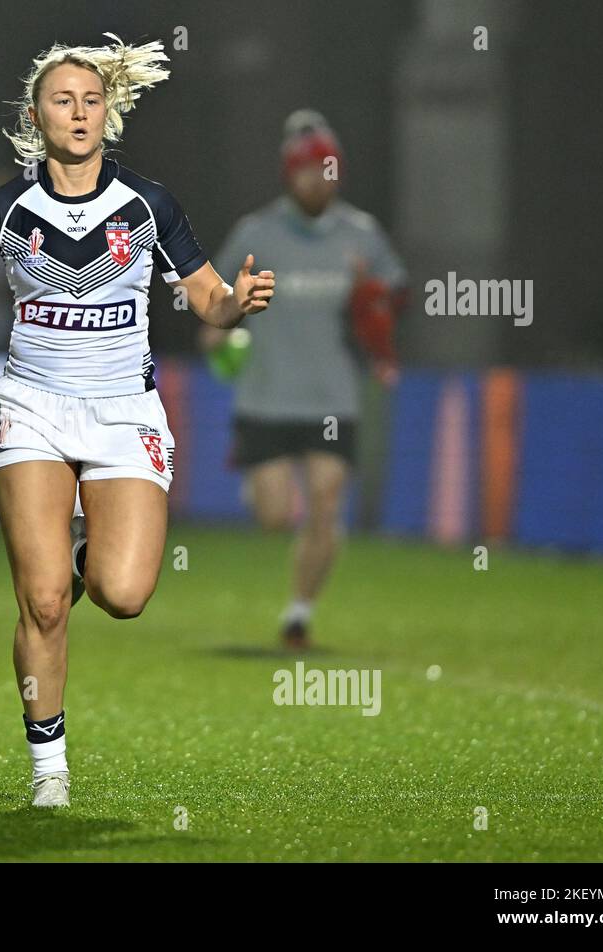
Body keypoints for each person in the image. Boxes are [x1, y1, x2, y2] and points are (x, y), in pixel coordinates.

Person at [0, 33, 274, 808]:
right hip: (31, 411)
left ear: (110, 113)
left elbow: (206, 297)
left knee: (125, 592)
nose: (79, 112)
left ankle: (74, 557)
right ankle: (49, 771)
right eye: (63, 100)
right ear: (37, 116)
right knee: (40, 605)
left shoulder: (147, 204)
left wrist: (237, 302)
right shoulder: (5, 208)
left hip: (122, 413)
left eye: (91, 100)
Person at [204, 110, 406, 652]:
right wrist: (217, 331)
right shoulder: (257, 233)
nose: (319, 180)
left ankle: (298, 613)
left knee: (325, 499)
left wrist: (379, 312)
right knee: (274, 516)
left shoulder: (361, 235)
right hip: (267, 396)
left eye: (328, 170)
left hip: (333, 397)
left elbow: (392, 297)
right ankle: (259, 489)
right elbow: (213, 297)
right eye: (308, 171)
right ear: (288, 175)